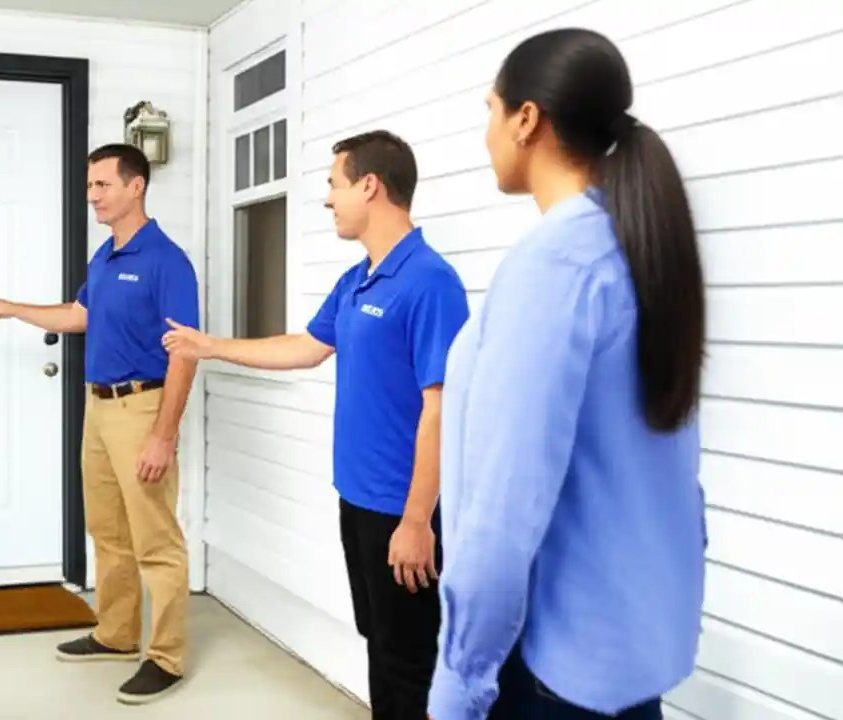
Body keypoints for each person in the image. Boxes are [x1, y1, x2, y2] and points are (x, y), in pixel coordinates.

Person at [427, 28, 707, 720]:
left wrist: (458, 686)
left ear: (527, 121)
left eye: (490, 111)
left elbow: (502, 512)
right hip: (629, 653)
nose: (486, 133)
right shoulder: (635, 243)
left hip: (556, 673)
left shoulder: (554, 266)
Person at [162, 130, 469, 719]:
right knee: (381, 645)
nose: (328, 198)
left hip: (404, 509)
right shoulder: (359, 279)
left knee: (410, 663)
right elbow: (304, 346)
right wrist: (210, 346)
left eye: (334, 183)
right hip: (357, 499)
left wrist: (416, 521)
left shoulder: (429, 282)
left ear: (370, 186)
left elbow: (442, 407)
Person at [0, 143, 199, 706]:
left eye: (102, 185)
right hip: (98, 409)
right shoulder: (105, 257)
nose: (92, 194)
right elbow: (80, 317)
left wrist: (163, 435)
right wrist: (12, 308)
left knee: (155, 539)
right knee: (108, 531)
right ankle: (116, 633)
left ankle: (165, 657)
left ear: (136, 186)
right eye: (90, 185)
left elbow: (186, 352)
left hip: (143, 407)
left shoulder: (166, 260)